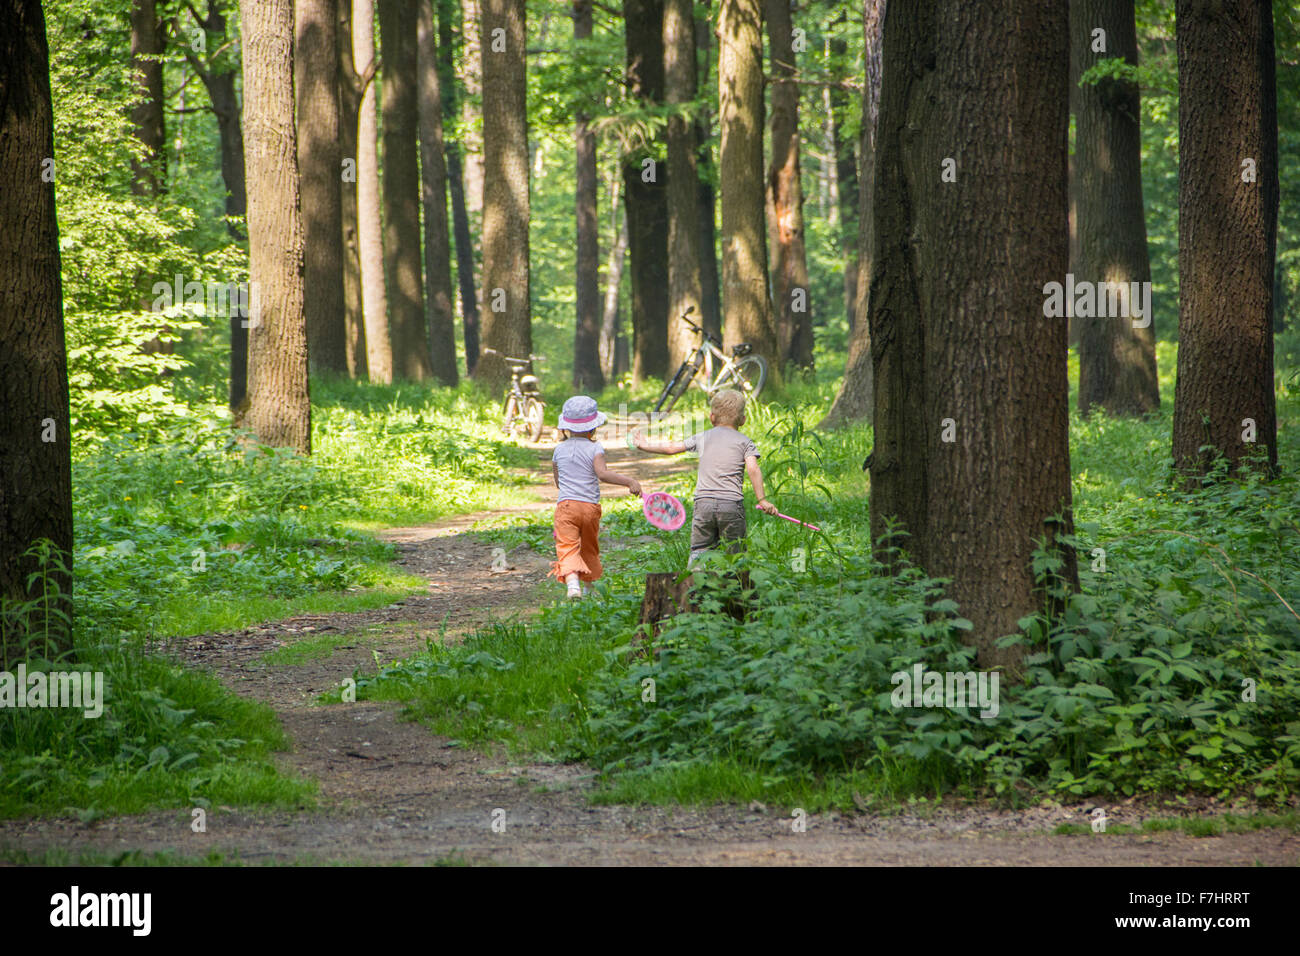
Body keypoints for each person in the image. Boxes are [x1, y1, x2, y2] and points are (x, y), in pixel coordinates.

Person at [632, 388, 777, 567]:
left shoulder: (703, 436)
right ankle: (736, 586)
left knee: (700, 549)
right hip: (730, 504)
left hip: (704, 503)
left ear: (712, 418)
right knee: (736, 551)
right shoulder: (745, 442)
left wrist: (645, 445)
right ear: (743, 420)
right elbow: (753, 470)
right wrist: (762, 499)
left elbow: (671, 448)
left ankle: (695, 584)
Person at [550, 396, 642, 599]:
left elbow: (558, 482)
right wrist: (629, 481)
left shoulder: (558, 450)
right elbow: (602, 474)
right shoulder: (595, 448)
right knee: (589, 547)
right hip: (590, 508)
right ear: (593, 427)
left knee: (567, 545)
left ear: (566, 426)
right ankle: (590, 588)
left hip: (566, 506)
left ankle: (572, 585)